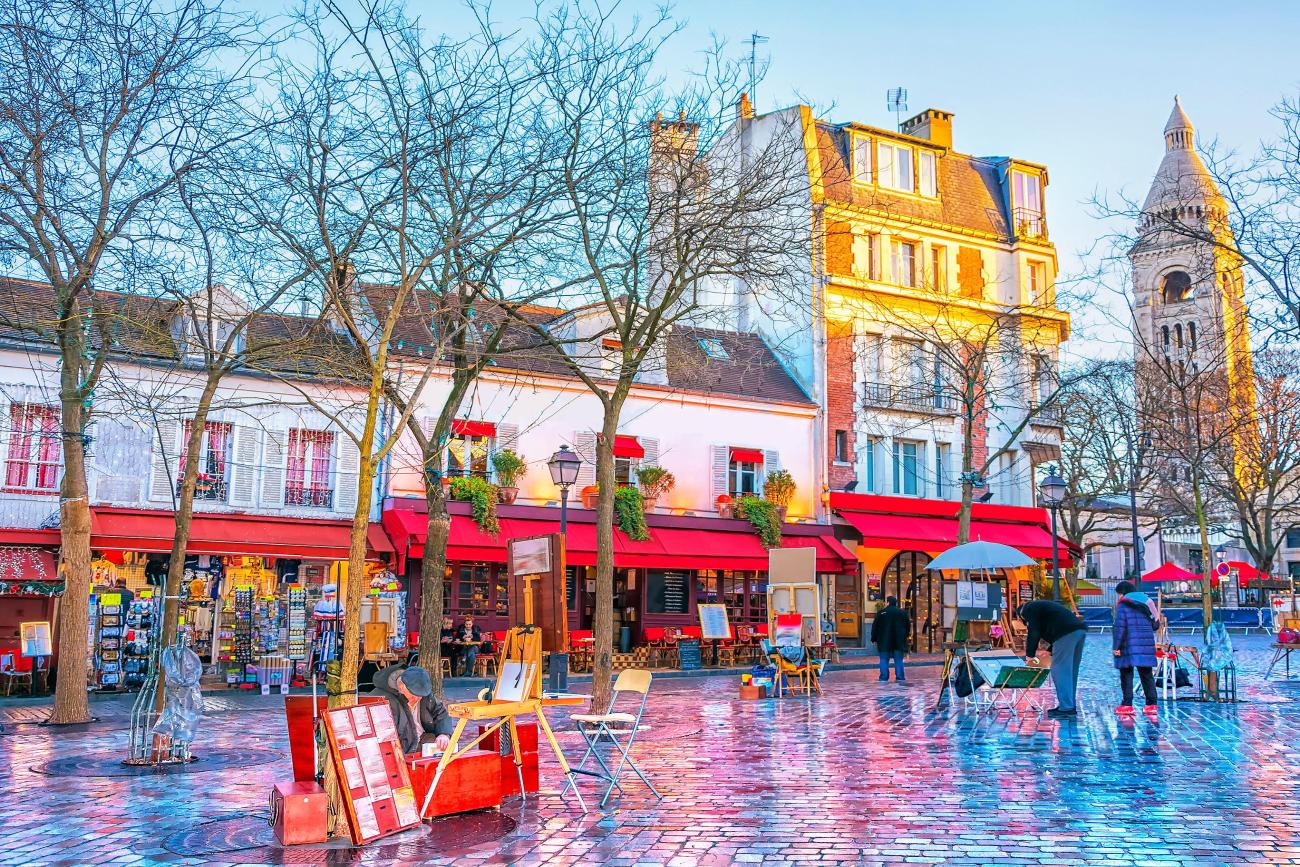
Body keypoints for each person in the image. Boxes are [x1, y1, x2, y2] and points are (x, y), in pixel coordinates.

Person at [1018, 599, 1087, 718]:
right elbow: (1056, 623)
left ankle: (1066, 708)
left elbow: (1034, 631)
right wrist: (1049, 650)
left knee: (1059, 669)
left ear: (1021, 615)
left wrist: (1029, 655)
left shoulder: (1029, 609)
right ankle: (1069, 705)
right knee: (1071, 671)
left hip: (1066, 634)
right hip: (1079, 631)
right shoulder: (1043, 607)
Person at [372, 665, 455, 755]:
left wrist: (444, 733)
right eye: (413, 695)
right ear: (402, 686)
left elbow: (441, 713)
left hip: (422, 739)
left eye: (421, 696)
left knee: (447, 752)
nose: (418, 699)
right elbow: (384, 737)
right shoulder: (383, 699)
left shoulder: (423, 693)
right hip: (402, 748)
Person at [1112, 580, 1159, 718]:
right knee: (1146, 674)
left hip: (1127, 644)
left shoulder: (1123, 606)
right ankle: (1151, 705)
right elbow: (1156, 625)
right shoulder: (1148, 602)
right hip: (1145, 644)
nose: (1119, 597)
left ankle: (1127, 705)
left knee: (1126, 674)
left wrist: (1116, 647)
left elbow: (1119, 628)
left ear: (1123, 593)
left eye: (1119, 594)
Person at [870, 597, 910, 683]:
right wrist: (905, 636)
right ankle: (900, 677)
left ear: (887, 602)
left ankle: (884, 677)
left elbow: (875, 627)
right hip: (899, 641)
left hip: (884, 641)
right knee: (899, 659)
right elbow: (908, 627)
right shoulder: (902, 613)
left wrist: (874, 638)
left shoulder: (881, 613)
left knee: (884, 659)